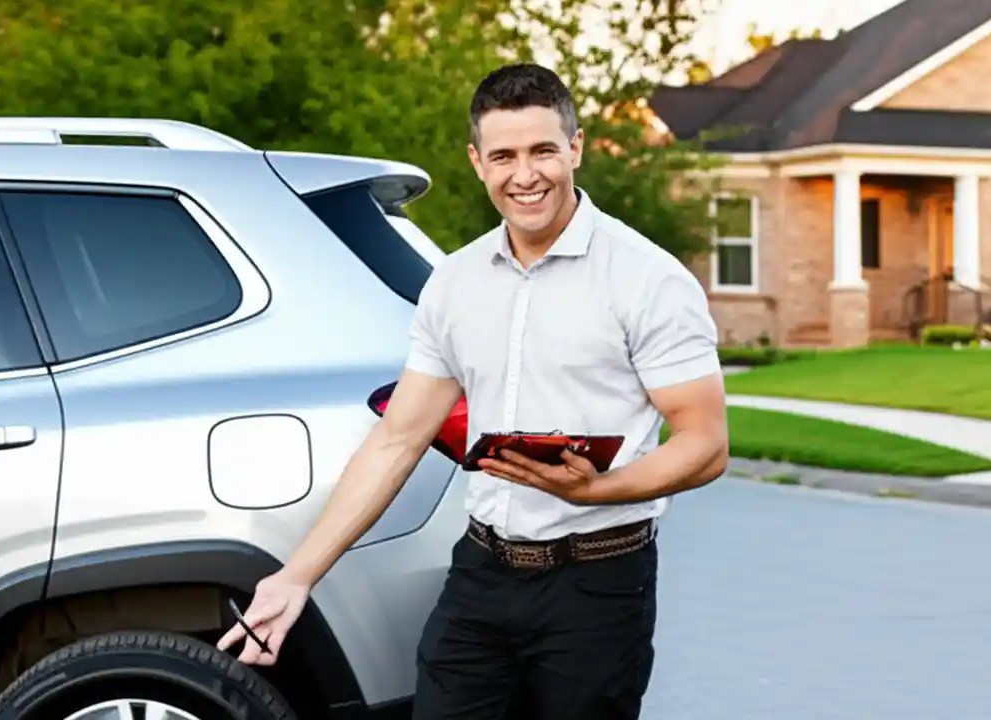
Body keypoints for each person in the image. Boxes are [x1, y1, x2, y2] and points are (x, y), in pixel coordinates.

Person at [216, 62, 729, 719]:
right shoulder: (456, 283)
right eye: (504, 155)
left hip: (598, 583)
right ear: (477, 161)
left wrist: (597, 489)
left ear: (575, 148)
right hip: (482, 577)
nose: (526, 175)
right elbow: (397, 439)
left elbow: (705, 444)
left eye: (544, 150)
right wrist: (297, 575)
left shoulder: (646, 280)